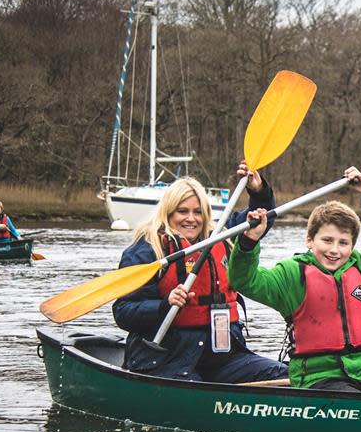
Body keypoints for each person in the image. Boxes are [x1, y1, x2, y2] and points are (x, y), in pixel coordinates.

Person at [229, 166, 361, 393]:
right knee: (350, 397)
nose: (335, 250)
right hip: (318, 379)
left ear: (352, 245)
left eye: (343, 243)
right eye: (327, 240)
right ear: (310, 240)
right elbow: (244, 280)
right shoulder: (291, 274)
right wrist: (248, 242)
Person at [111, 162, 286, 383]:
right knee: (192, 385)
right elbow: (124, 311)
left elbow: (260, 217)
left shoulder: (221, 236)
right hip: (167, 357)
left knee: (282, 374)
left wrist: (258, 189)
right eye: (182, 211)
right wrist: (164, 304)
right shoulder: (147, 251)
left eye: (197, 212)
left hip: (225, 355)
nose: (191, 219)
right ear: (168, 212)